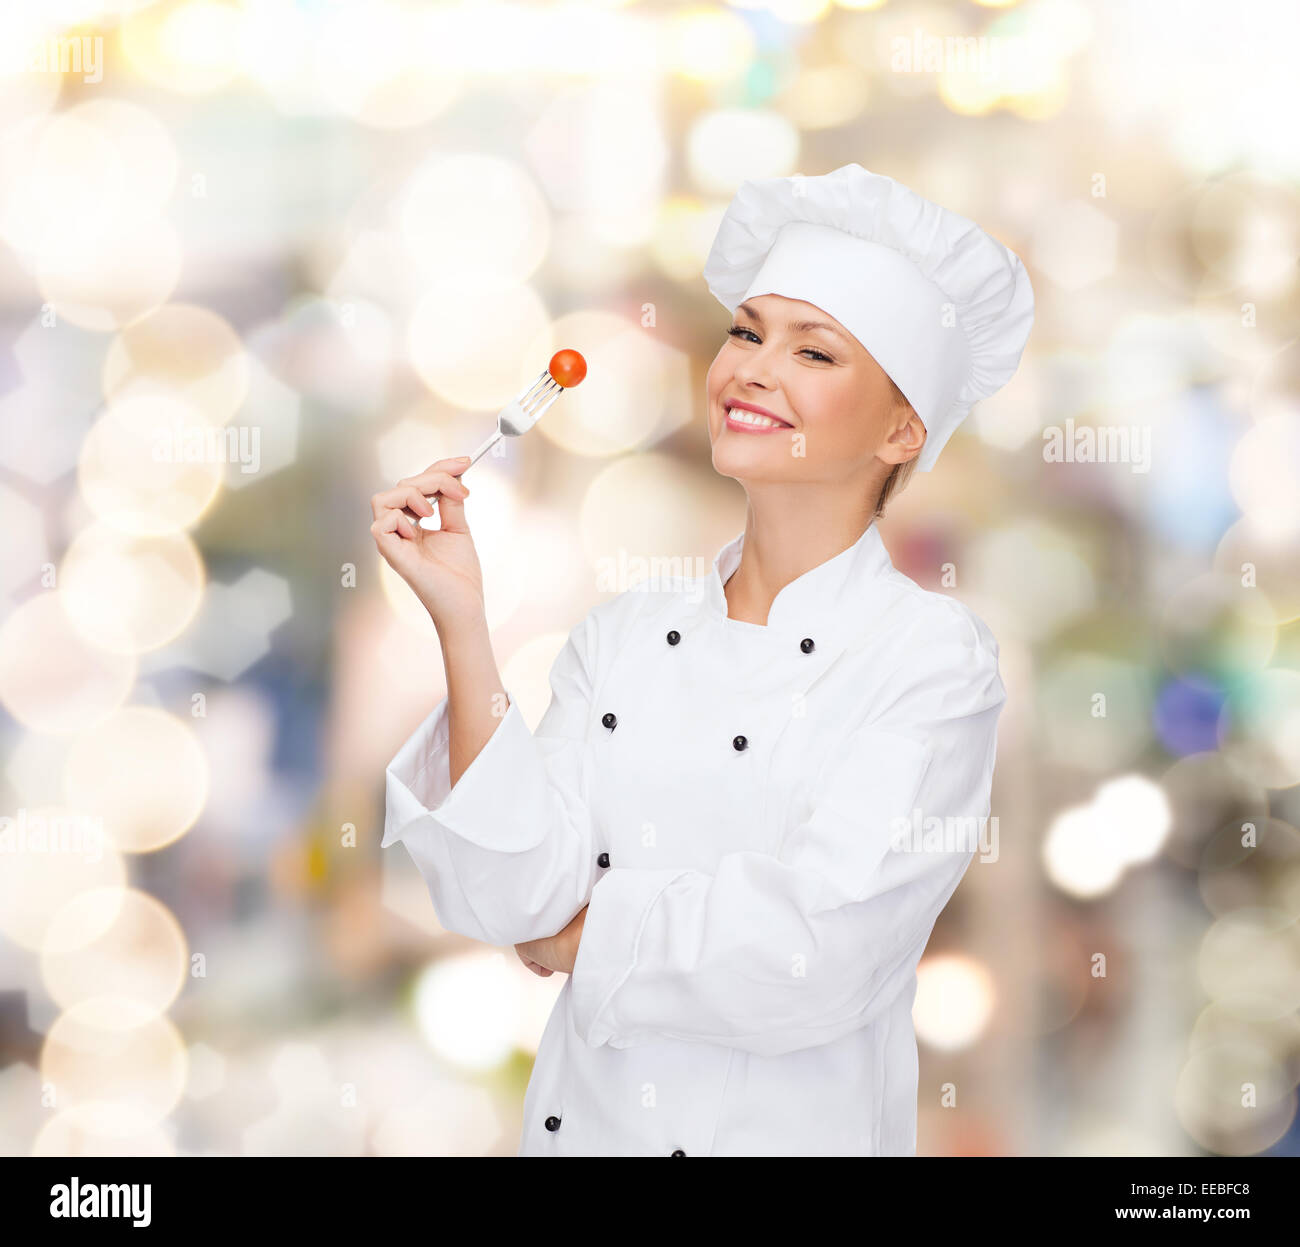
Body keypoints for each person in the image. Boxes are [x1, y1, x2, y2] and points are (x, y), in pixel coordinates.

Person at [372, 164, 1034, 1156]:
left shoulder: (932, 660)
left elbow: (816, 948)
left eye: (813, 350)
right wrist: (463, 625)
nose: (752, 370)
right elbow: (505, 893)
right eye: (745, 332)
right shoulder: (622, 635)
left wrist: (584, 935)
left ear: (905, 428)